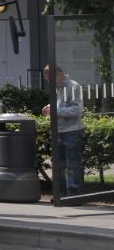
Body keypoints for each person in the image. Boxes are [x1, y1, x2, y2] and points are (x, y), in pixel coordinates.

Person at [42, 64, 84, 196]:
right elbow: (59, 105)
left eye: (50, 79)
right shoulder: (57, 88)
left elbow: (77, 109)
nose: (49, 82)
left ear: (59, 75)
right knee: (59, 164)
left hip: (72, 131)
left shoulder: (73, 86)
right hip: (59, 131)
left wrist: (55, 111)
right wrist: (49, 107)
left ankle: (73, 195)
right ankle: (62, 194)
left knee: (72, 164)